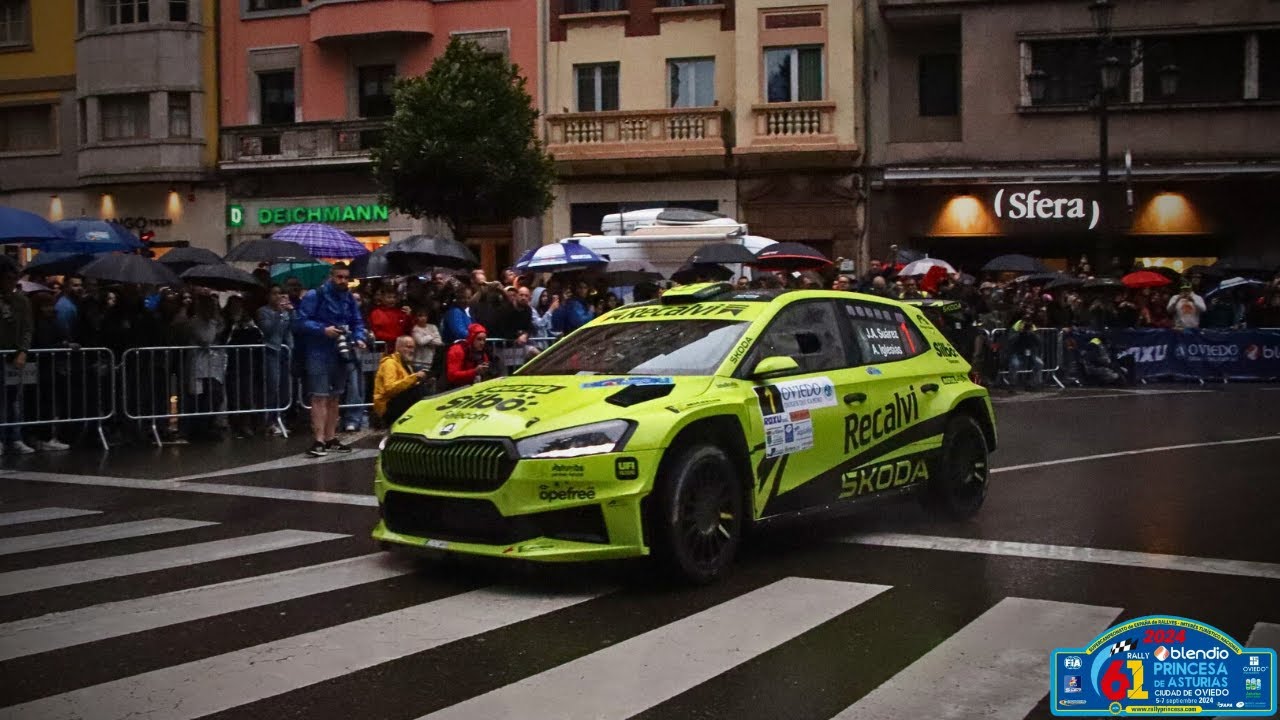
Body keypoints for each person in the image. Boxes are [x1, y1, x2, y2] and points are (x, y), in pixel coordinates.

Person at [293, 263, 367, 458]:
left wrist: (359, 337)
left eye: (346, 277)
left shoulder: (348, 298)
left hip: (341, 350)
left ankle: (330, 437)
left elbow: (357, 321)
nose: (343, 281)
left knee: (335, 396)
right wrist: (322, 330)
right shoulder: (314, 295)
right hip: (318, 350)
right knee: (319, 396)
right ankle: (318, 439)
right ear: (330, 276)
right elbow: (300, 321)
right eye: (339, 277)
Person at [0, 259, 34, 455]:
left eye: (14, 279)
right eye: (8, 279)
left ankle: (15, 437)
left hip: (14, 356)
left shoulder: (21, 301)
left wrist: (23, 351)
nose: (11, 282)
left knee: (14, 398)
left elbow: (28, 329)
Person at [374, 336, 432, 426]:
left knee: (425, 388)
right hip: (387, 407)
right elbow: (390, 389)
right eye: (408, 347)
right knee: (420, 391)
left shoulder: (406, 365)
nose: (412, 351)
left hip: (397, 402)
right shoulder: (389, 363)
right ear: (398, 348)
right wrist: (414, 377)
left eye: (413, 348)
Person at [445, 323, 494, 388]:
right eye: (479, 339)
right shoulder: (457, 350)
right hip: (452, 388)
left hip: (472, 386)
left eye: (484, 340)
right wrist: (474, 371)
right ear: (472, 338)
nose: (482, 343)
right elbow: (452, 376)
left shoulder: (482, 353)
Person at [408, 308, 443, 372]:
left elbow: (439, 342)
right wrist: (431, 335)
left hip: (430, 360)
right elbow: (421, 342)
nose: (423, 318)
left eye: (425, 316)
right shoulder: (415, 329)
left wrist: (426, 339)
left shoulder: (432, 327)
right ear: (416, 317)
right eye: (420, 316)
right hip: (418, 362)